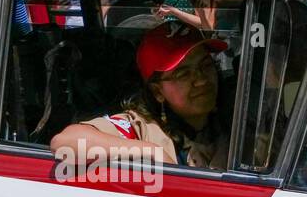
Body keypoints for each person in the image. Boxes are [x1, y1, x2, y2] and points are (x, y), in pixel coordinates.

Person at [50, 23, 229, 169]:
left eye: (205, 65)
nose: (200, 80)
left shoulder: (238, 118)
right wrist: (151, 152)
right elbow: (65, 142)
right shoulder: (141, 127)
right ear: (158, 92)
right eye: (183, 74)